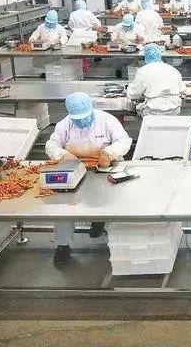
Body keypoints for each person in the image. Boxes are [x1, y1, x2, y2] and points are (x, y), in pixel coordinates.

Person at [45, 92, 132, 266]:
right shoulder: (64, 125)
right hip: (75, 169)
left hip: (105, 168)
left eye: (85, 117)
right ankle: (62, 245)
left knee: (110, 201)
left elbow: (124, 140)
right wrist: (62, 154)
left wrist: (109, 153)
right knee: (64, 206)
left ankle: (101, 224)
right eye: (78, 119)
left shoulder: (106, 120)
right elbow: (51, 145)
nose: (82, 121)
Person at [127, 44, 186, 116]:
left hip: (153, 110)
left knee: (138, 110)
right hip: (174, 109)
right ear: (159, 55)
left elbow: (133, 94)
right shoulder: (173, 69)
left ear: (146, 57)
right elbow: (182, 90)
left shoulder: (143, 70)